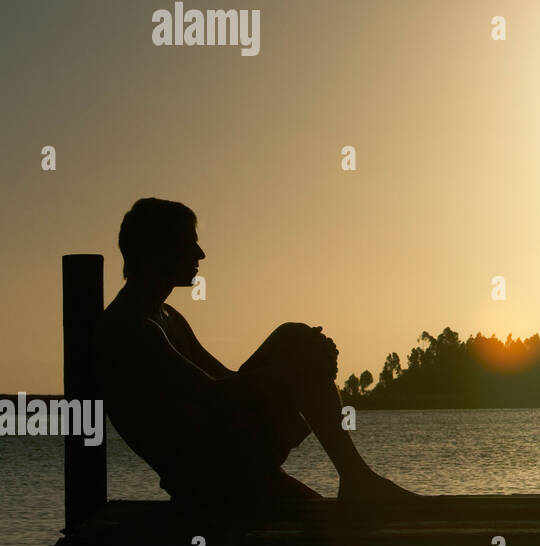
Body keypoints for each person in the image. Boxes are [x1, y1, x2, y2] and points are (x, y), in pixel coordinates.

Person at [92, 197, 420, 506]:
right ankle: (356, 478)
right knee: (298, 356)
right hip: (206, 474)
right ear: (158, 249)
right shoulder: (132, 327)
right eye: (190, 243)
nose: (201, 254)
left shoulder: (167, 316)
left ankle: (355, 476)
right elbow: (210, 395)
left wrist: (300, 366)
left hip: (227, 453)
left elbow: (225, 379)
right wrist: (291, 376)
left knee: (294, 337)